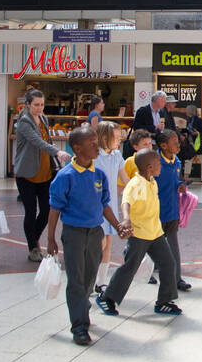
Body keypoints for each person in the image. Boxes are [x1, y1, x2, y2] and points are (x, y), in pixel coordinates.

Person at [49, 128, 133, 345]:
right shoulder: (65, 176)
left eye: (97, 142)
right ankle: (79, 327)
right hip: (74, 232)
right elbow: (55, 209)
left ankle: (82, 306)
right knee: (76, 280)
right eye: (92, 143)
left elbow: (104, 204)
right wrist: (50, 238)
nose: (97, 147)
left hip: (95, 232)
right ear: (77, 148)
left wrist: (117, 225)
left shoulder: (99, 174)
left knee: (89, 277)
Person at [95, 149, 183, 318]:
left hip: (155, 233)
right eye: (158, 164)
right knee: (130, 268)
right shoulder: (135, 184)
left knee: (168, 263)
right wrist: (126, 219)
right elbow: (126, 201)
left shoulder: (152, 182)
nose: (160, 167)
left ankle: (164, 301)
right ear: (150, 167)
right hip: (139, 234)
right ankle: (107, 298)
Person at [13, 88, 70, 263]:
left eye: (42, 105)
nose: (39, 108)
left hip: (45, 172)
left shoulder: (43, 118)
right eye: (36, 105)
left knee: (47, 210)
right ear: (28, 104)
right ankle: (33, 248)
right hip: (27, 173)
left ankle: (33, 239)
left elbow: (47, 140)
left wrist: (54, 158)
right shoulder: (24, 122)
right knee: (30, 211)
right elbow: (37, 141)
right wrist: (58, 152)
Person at [155, 129, 193, 291]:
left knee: (173, 246)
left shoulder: (176, 161)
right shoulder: (154, 162)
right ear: (163, 145)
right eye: (175, 142)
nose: (179, 144)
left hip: (172, 211)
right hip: (154, 212)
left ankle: (177, 279)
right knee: (143, 248)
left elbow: (174, 181)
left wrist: (180, 186)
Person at [92, 121, 128, 288]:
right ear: (104, 137)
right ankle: (90, 281)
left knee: (108, 243)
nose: (119, 140)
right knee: (99, 244)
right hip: (97, 208)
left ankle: (101, 282)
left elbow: (125, 179)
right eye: (116, 137)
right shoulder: (94, 157)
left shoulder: (117, 156)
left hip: (111, 207)